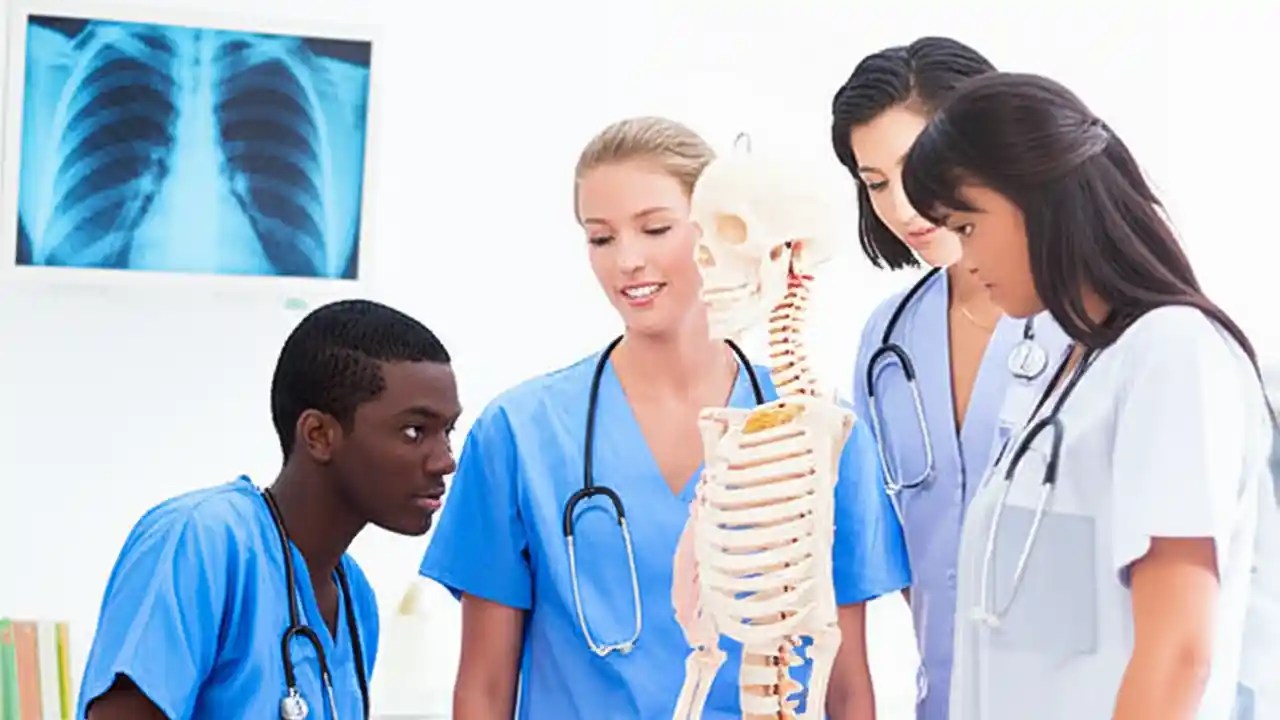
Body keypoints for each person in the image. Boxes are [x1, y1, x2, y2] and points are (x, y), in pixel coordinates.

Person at [419, 116, 911, 719]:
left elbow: (848, 687)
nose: (627, 260)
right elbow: (483, 689)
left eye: (655, 229)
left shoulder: (818, 433)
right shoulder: (518, 434)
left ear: (716, 232)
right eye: (601, 238)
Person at [900, 71, 1274, 720]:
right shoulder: (1072, 375)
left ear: (1036, 197)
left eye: (967, 225)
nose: (965, 258)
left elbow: (1179, 651)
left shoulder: (1171, 352)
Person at [828, 36, 1071, 720]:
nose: (902, 207)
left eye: (916, 166)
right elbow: (902, 547)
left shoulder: (1084, 319)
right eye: (875, 182)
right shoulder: (888, 340)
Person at [76, 299, 462, 719]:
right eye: (414, 431)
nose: (445, 460)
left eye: (447, 431)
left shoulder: (354, 598)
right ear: (318, 434)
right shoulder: (201, 539)